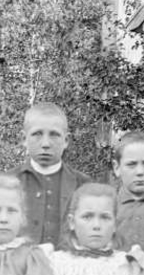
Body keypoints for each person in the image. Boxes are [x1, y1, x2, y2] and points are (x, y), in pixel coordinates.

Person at [13, 102, 90, 244]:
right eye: (37, 134)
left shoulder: (84, 185)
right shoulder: (7, 182)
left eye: (54, 135)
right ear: (24, 139)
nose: (45, 144)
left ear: (66, 141)